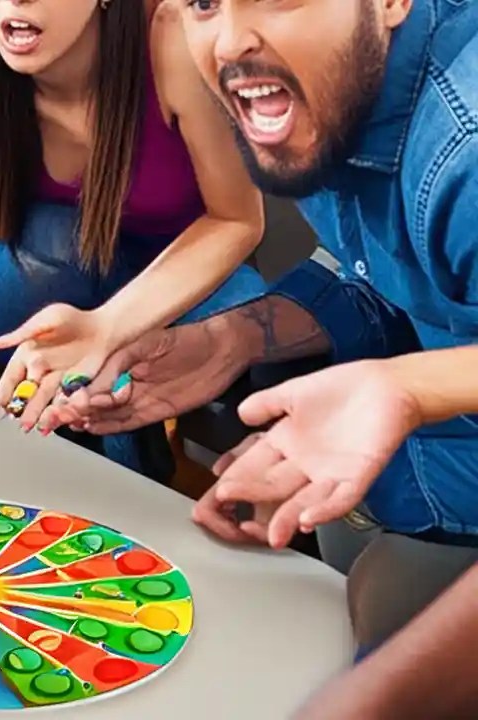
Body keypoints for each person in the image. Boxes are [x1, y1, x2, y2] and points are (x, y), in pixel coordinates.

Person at [45, 0, 478, 713]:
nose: (232, 41)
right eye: (206, 4)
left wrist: (400, 408)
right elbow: (388, 282)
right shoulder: (329, 100)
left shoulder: (461, 149)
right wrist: (230, 339)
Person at [0, 0, 266, 480]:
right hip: (62, 282)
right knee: (9, 275)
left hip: (186, 284)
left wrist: (108, 330)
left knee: (251, 323)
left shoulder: (170, 35)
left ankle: (131, 464)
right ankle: (84, 463)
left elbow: (238, 221)